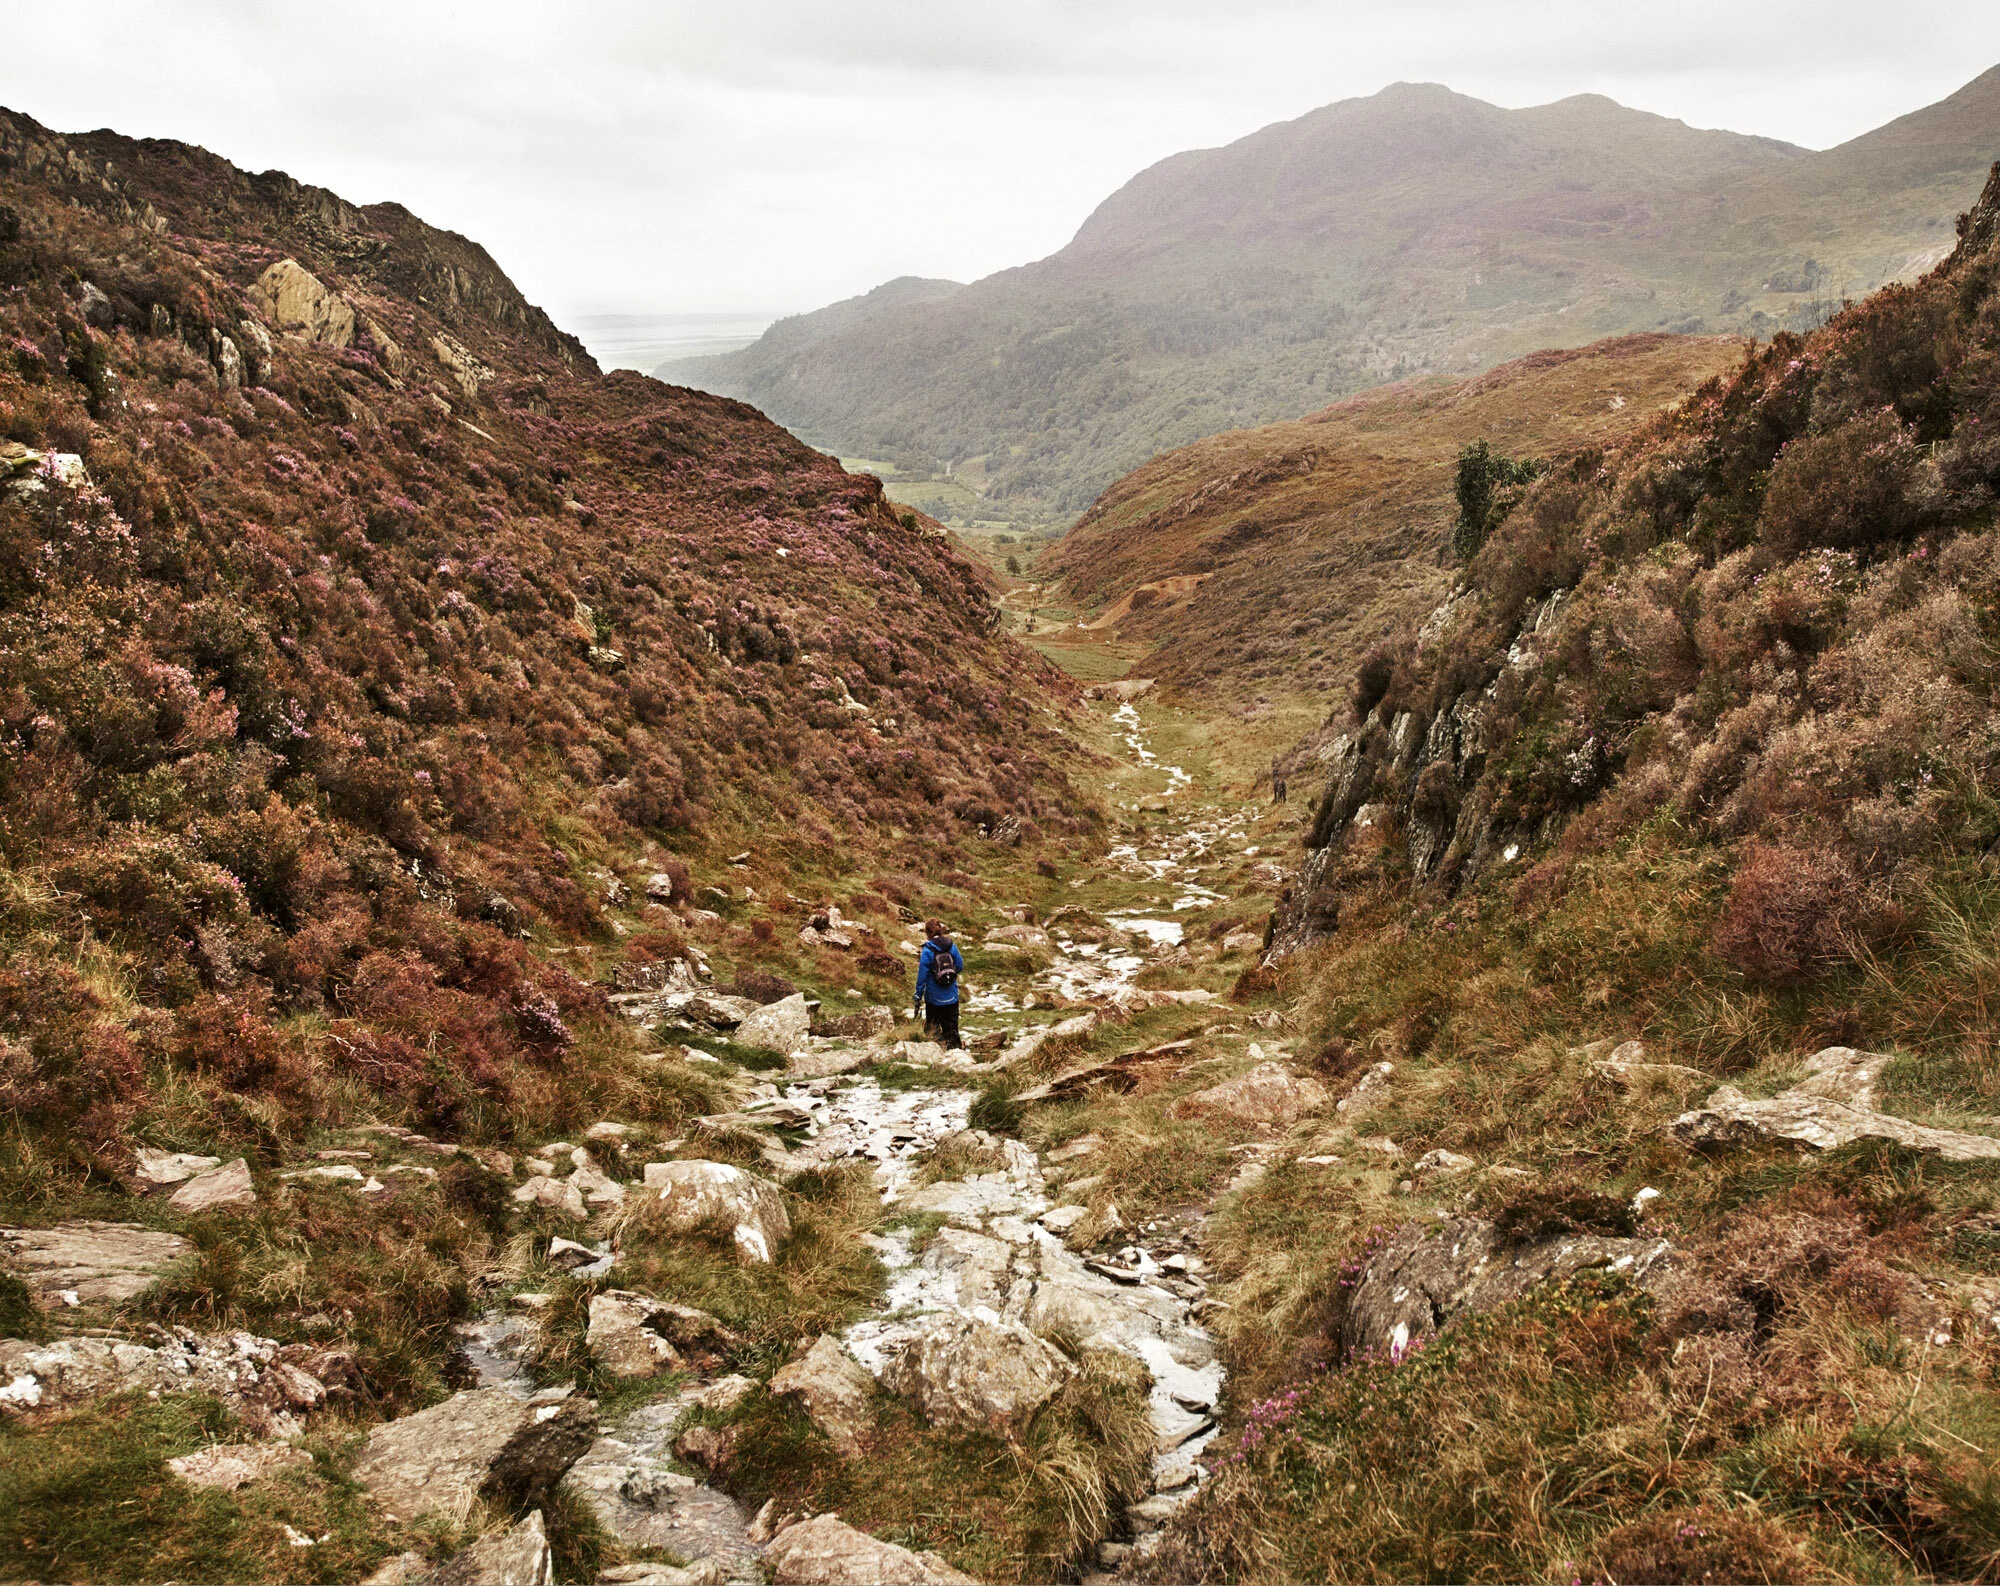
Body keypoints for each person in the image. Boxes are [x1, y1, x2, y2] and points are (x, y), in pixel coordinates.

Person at [913, 918, 965, 1050]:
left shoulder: (928, 950)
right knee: (952, 1030)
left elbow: (922, 977)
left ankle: (936, 1054)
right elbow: (959, 965)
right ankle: (957, 1056)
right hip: (952, 996)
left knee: (932, 1029)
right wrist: (948, 977)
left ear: (927, 933)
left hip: (933, 998)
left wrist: (918, 995)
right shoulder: (951, 946)